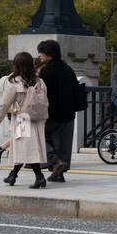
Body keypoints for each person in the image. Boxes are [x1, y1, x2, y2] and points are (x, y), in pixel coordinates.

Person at [0, 52, 49, 189]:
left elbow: (5, 103)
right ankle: (13, 175)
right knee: (25, 149)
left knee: (26, 149)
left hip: (22, 118)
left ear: (17, 65)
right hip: (37, 118)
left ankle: (39, 177)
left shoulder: (14, 82)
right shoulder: (39, 81)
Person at [35, 39, 79, 181]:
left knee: (40, 137)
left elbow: (40, 94)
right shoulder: (68, 69)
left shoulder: (45, 71)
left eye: (41, 53)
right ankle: (59, 173)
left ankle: (56, 162)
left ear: (48, 54)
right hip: (68, 113)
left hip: (51, 113)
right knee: (64, 144)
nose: (39, 56)